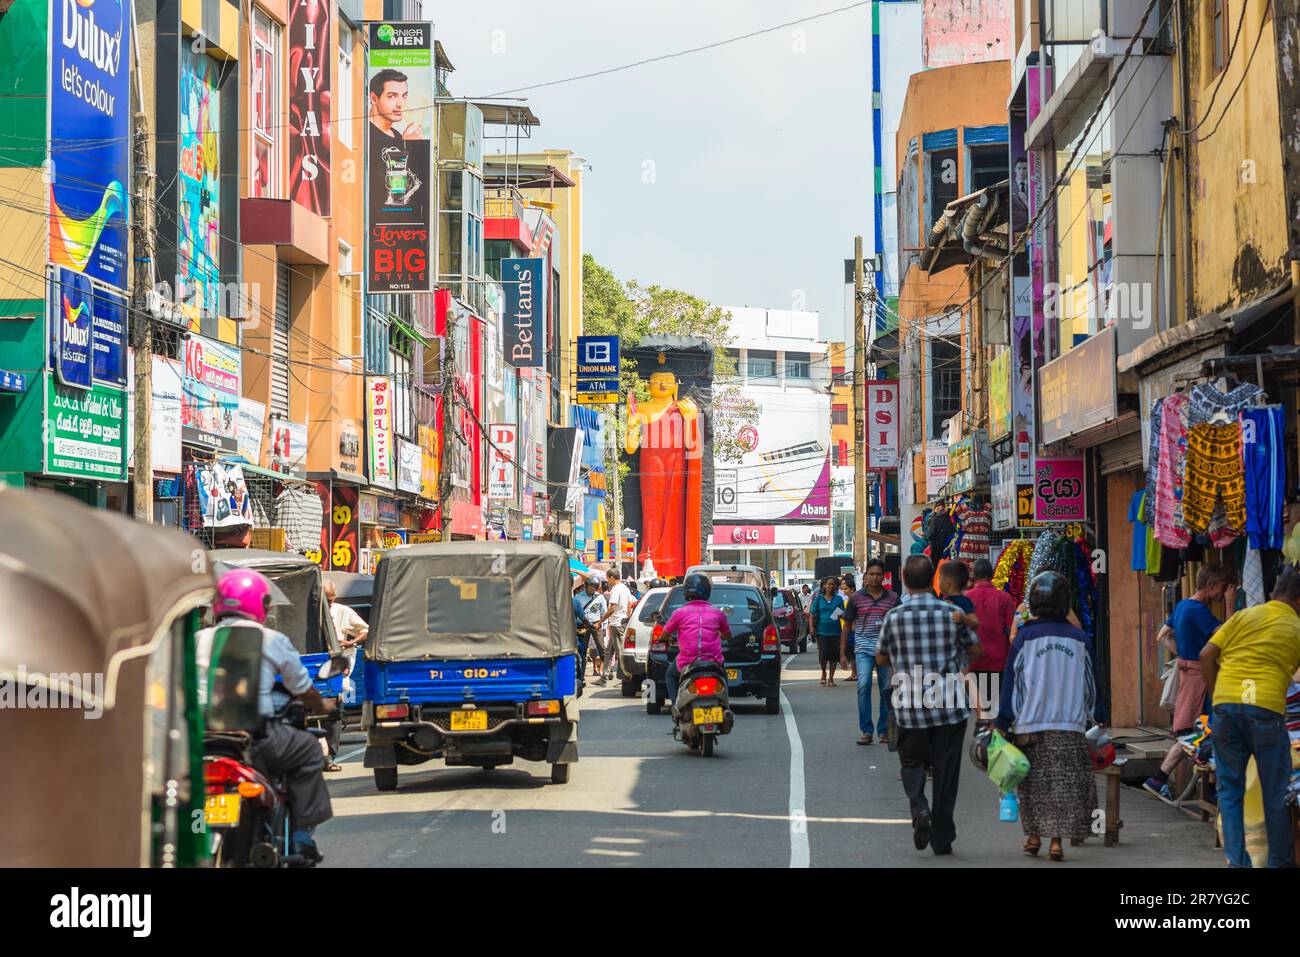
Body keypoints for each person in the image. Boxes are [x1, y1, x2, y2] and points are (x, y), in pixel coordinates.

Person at [197, 569, 335, 862]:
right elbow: (303, 689)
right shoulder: (272, 640)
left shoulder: (199, 639)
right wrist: (322, 706)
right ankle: (299, 836)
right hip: (256, 741)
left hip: (199, 741)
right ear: (260, 605)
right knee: (310, 749)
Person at [995, 571, 1106, 863]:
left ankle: (1033, 837)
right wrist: (1096, 715)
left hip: (1030, 723)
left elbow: (1012, 681)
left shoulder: (1025, 637)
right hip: (1069, 723)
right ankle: (1056, 843)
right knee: (1062, 785)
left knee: (1031, 784)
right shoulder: (1079, 638)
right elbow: (1090, 683)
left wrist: (1004, 720)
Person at [876, 555, 981, 856]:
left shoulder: (894, 617)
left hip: (909, 704)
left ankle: (920, 809)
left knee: (911, 764)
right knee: (947, 771)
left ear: (904, 579)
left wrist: (902, 663)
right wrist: (959, 662)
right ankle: (942, 836)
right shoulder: (950, 612)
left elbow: (881, 658)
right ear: (931, 580)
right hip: (949, 705)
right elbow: (976, 648)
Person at [1199, 564, 1300, 868]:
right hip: (1265, 710)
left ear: (1272, 592)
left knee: (1230, 791)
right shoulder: (1296, 628)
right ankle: (1279, 864)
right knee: (1275, 793)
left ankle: (1237, 861)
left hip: (1227, 704)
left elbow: (1206, 654)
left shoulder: (1245, 615)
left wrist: (1218, 698)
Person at [1143, 565, 1235, 801]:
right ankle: (1160, 778)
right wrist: (1230, 603)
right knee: (1197, 731)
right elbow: (1229, 633)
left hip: (1188, 672)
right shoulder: (1198, 610)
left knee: (1200, 730)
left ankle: (1200, 786)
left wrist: (1181, 654)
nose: (1222, 592)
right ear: (1210, 585)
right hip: (1201, 677)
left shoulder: (1183, 605)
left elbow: (1161, 635)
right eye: (1222, 588)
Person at [841, 559, 899, 744]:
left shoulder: (893, 598)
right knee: (863, 685)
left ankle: (883, 731)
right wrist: (842, 653)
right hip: (863, 650)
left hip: (886, 652)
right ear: (866, 576)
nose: (875, 577)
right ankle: (866, 730)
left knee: (886, 690)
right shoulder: (856, 599)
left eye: (878, 574)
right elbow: (847, 626)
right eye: (871, 574)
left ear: (883, 577)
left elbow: (899, 627)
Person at [660, 573, 730, 704]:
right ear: (708, 592)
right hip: (713, 660)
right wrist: (720, 635)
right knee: (723, 675)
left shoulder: (679, 613)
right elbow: (728, 635)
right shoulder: (717, 613)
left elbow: (664, 635)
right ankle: (726, 703)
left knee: (670, 675)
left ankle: (676, 706)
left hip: (687, 660)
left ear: (686, 592)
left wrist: (665, 640)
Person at [323, 579, 368, 772]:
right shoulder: (309, 612)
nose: (330, 604)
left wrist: (351, 643)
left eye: (331, 600)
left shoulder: (342, 611)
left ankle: (330, 756)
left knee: (334, 713)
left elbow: (365, 629)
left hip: (336, 669)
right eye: (326, 600)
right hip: (314, 669)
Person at [965, 558, 1017, 718]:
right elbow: (1012, 631)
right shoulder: (1005, 599)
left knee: (981, 711)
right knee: (997, 711)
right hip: (1000, 663)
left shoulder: (966, 599)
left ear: (974, 575)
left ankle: (982, 735)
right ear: (992, 574)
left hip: (974, 663)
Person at [808, 577, 845, 687]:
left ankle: (831, 678)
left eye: (833, 584)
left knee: (834, 656)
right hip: (822, 632)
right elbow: (811, 614)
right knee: (823, 655)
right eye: (829, 584)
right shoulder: (819, 599)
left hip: (835, 632)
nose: (831, 586)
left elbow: (843, 613)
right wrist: (811, 628)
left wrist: (841, 615)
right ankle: (824, 672)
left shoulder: (838, 599)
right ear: (824, 585)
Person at [601, 568, 635, 685]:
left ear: (611, 577)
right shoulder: (625, 588)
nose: (607, 581)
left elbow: (612, 607)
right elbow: (629, 604)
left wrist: (601, 621)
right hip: (619, 622)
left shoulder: (616, 589)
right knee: (608, 651)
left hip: (616, 623)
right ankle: (604, 676)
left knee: (620, 651)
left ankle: (626, 678)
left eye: (607, 578)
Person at [937, 560, 980, 633]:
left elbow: (976, 623)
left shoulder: (963, 601)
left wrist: (963, 618)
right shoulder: (944, 600)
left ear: (948, 582)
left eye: (940, 578)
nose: (938, 582)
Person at [581, 577, 610, 682]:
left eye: (595, 586)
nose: (592, 588)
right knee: (583, 650)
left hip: (596, 624)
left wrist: (604, 626)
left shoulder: (600, 597)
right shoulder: (579, 597)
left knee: (602, 649)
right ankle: (581, 675)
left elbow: (604, 612)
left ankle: (606, 672)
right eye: (591, 586)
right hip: (583, 626)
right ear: (586, 586)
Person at [839, 574, 858, 680]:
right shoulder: (848, 600)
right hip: (849, 630)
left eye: (846, 589)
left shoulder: (855, 600)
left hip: (854, 630)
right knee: (851, 653)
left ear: (852, 589)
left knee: (854, 653)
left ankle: (855, 673)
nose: (844, 591)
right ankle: (854, 673)